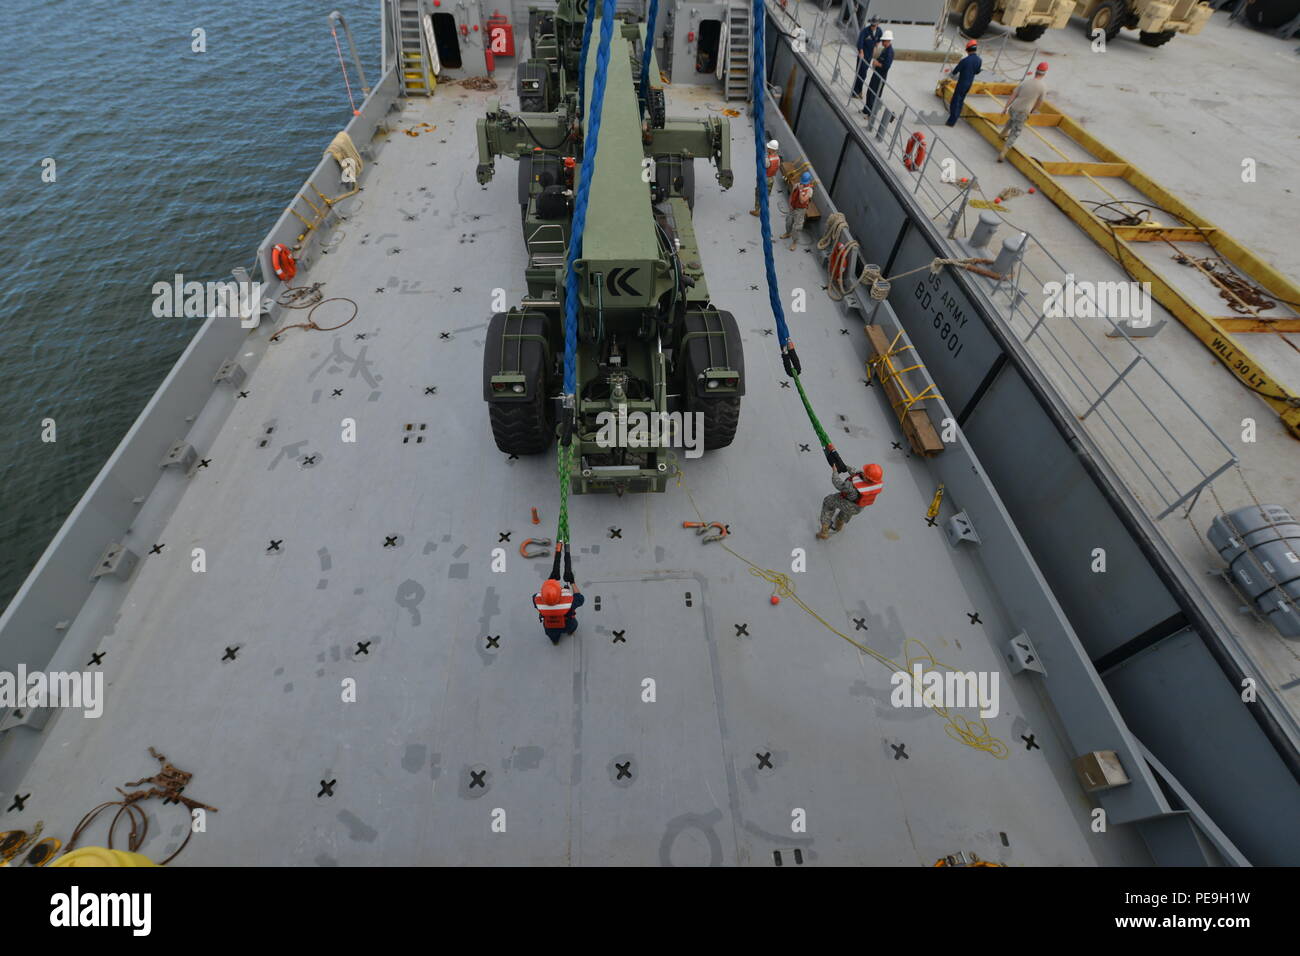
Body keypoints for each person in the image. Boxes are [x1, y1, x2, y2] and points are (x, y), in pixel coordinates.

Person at [816, 463, 883, 539]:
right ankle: (839, 524)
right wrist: (845, 466)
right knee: (847, 512)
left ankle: (824, 531)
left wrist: (835, 471)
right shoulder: (874, 484)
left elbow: (838, 483)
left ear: (866, 476)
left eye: (865, 472)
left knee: (828, 502)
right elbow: (857, 473)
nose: (863, 472)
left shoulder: (851, 487)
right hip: (858, 507)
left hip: (847, 503)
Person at [997, 62, 1048, 162]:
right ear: (1044, 73)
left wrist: (1005, 107)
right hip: (1023, 112)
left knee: (1012, 120)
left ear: (1035, 71)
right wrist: (1032, 111)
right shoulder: (1043, 87)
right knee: (1015, 132)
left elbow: (1013, 95)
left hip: (1014, 108)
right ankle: (1003, 152)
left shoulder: (1025, 82)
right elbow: (1039, 102)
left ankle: (1002, 133)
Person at [532, 577, 585, 645]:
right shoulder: (570, 603)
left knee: (553, 636)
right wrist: (572, 583)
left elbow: (537, 595)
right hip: (568, 624)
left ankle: (555, 642)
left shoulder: (535, 599)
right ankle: (570, 632)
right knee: (572, 626)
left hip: (550, 627)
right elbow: (580, 598)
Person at [945, 40, 982, 126]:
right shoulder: (979, 60)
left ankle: (951, 121)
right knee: (961, 100)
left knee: (955, 101)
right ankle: (957, 115)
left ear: (967, 50)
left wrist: (949, 75)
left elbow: (954, 72)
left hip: (961, 83)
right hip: (969, 84)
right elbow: (977, 71)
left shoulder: (965, 60)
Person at [863, 30, 895, 117]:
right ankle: (866, 109)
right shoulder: (885, 50)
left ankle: (871, 114)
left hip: (880, 77)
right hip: (877, 74)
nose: (882, 42)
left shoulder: (889, 52)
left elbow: (887, 66)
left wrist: (877, 64)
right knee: (870, 92)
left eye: (884, 40)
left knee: (874, 94)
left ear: (888, 41)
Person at [780, 171, 814, 250]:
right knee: (788, 221)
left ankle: (794, 242)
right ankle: (788, 233)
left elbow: (802, 201)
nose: (803, 184)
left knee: (796, 227)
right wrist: (790, 204)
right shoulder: (797, 185)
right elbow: (792, 194)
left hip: (800, 210)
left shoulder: (809, 191)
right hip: (793, 207)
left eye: (804, 183)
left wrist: (801, 191)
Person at [851, 16, 883, 99]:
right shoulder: (865, 31)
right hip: (863, 55)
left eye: (874, 25)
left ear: (878, 24)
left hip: (869, 56)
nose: (872, 27)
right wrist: (861, 52)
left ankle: (858, 91)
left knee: (863, 74)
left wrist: (876, 47)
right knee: (861, 74)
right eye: (872, 25)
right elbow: (860, 42)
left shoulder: (879, 31)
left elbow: (878, 40)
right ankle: (856, 92)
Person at [752, 140, 780, 217]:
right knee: (767, 194)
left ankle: (757, 210)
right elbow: (776, 167)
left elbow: (762, 166)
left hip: (764, 179)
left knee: (758, 193)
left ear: (771, 149)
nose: (767, 148)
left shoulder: (768, 159)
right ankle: (765, 209)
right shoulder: (777, 158)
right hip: (771, 179)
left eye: (768, 148)